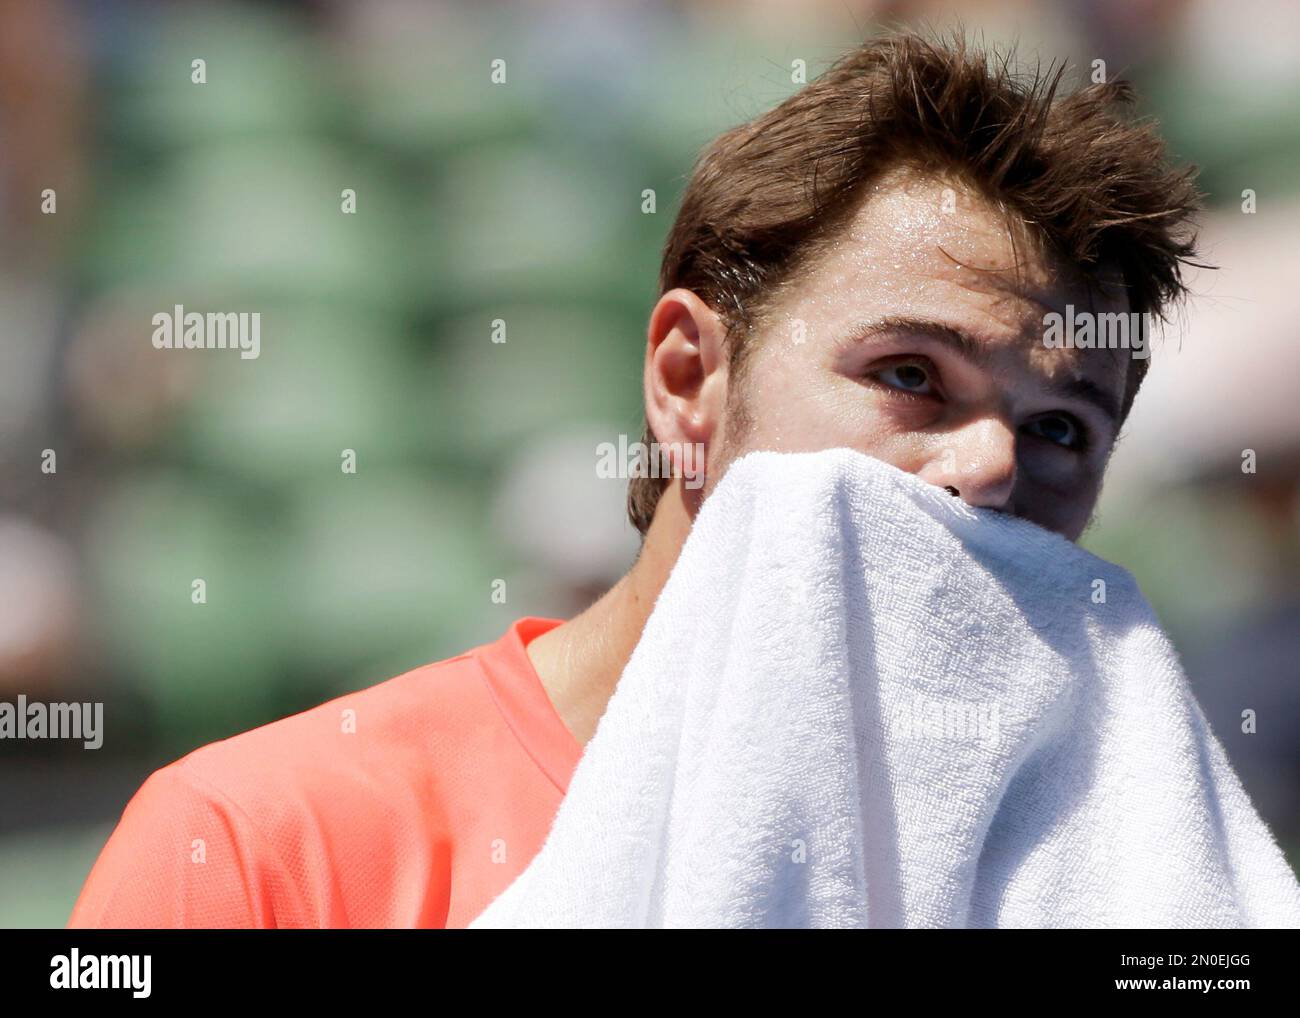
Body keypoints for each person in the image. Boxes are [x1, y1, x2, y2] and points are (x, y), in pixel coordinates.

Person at [69, 30, 1202, 928]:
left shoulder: (1108, 877)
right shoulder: (256, 842)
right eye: (910, 372)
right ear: (686, 382)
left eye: (1060, 431)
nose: (994, 467)